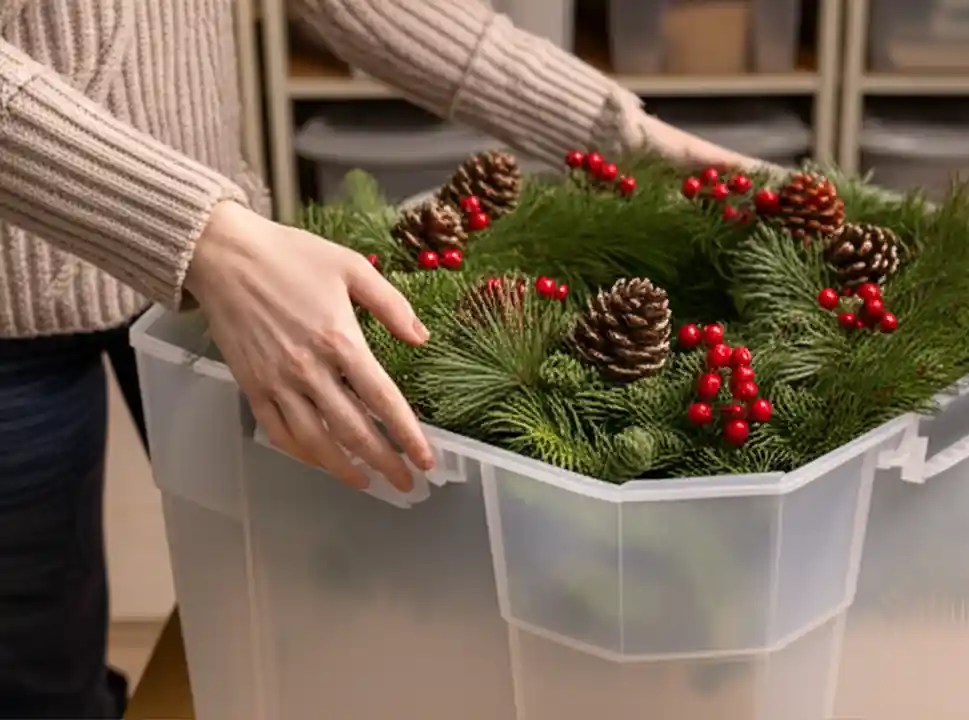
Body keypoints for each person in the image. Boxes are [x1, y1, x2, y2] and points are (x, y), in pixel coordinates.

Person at [0, 1, 759, 716]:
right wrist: (201, 236)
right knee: (38, 666)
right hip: (108, 284)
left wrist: (609, 127)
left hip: (221, 267)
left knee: (301, 597)